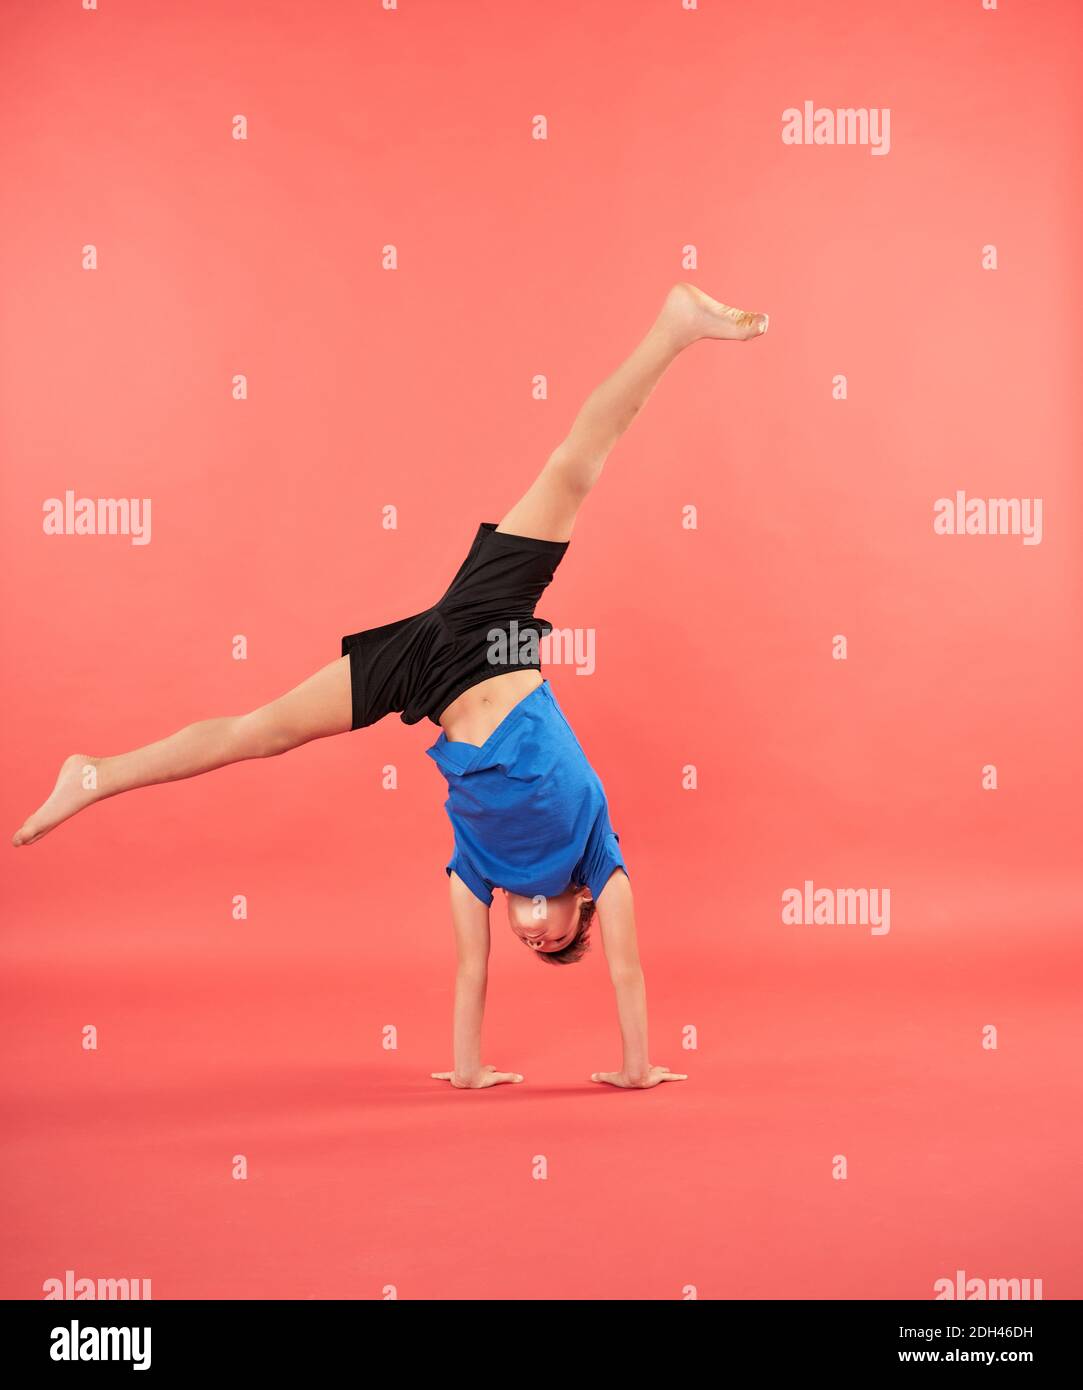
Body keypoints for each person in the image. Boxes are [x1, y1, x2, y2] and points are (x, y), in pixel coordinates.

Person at [12, 282, 768, 1090]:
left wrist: (467, 1069)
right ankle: (674, 329)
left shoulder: (476, 870)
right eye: (557, 933)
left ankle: (95, 772)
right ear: (583, 905)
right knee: (571, 471)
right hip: (495, 631)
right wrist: (634, 1068)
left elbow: (468, 974)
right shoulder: (598, 857)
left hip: (422, 669)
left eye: (531, 940)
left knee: (258, 732)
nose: (536, 929)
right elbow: (626, 974)